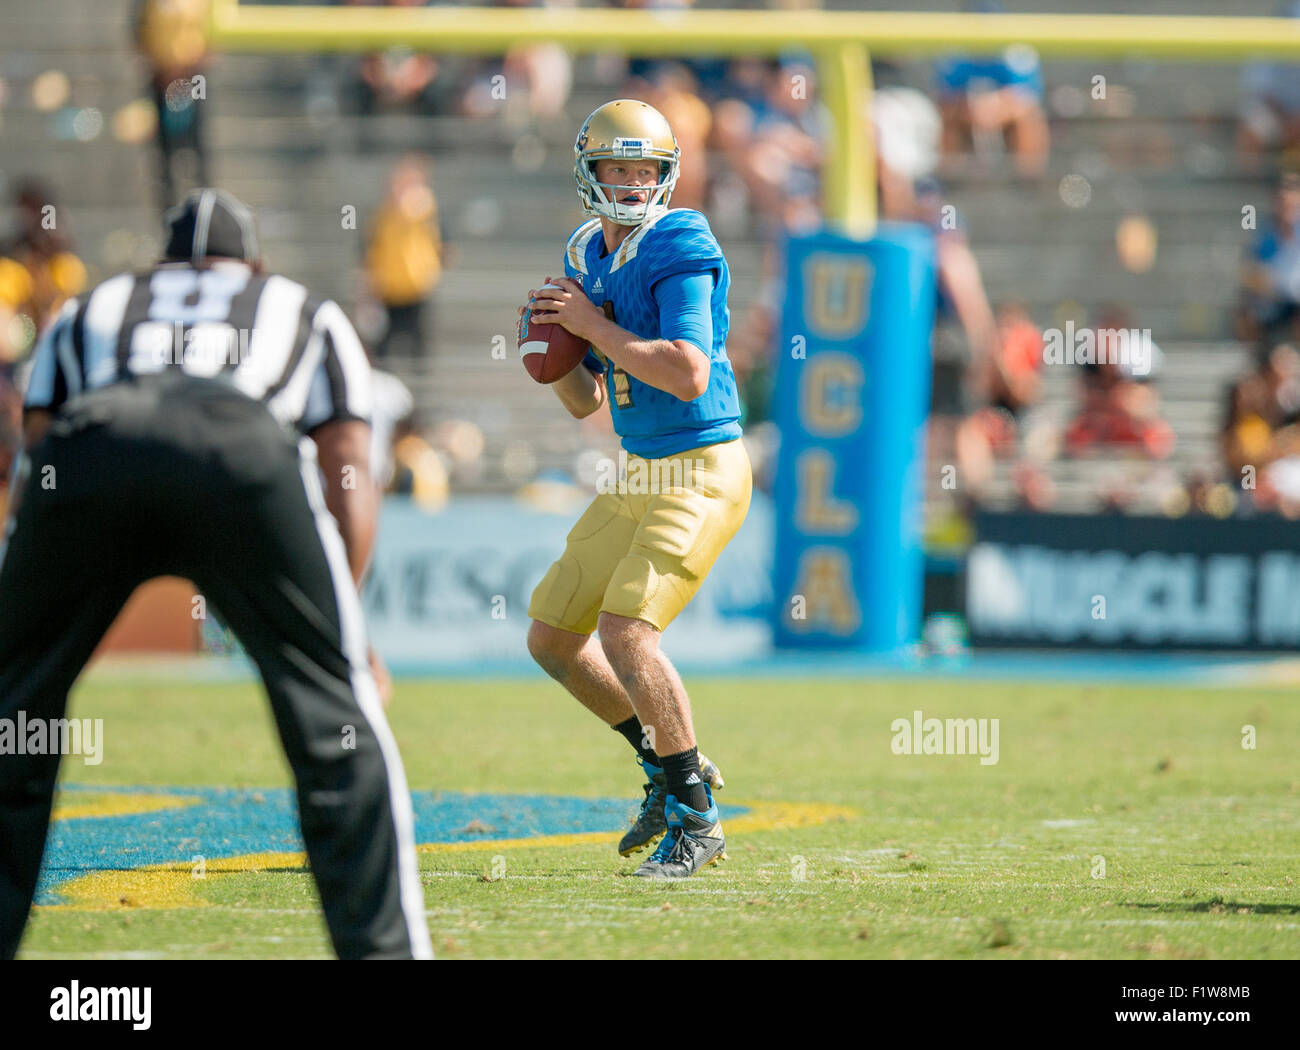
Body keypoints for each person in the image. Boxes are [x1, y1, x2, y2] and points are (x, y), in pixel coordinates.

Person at [0, 189, 431, 959]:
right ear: (253, 266)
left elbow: (38, 444)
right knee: (335, 727)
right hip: (242, 453)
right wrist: (343, 638)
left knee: (12, 714)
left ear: (161, 266)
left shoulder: (94, 305)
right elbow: (346, 468)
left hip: (94, 445)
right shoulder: (298, 306)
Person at [522, 100, 748, 879]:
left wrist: (590, 326)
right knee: (552, 636)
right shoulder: (587, 250)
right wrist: (550, 351)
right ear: (590, 174)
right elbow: (587, 399)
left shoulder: (681, 237)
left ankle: (697, 817)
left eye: (643, 170)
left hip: (701, 463)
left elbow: (687, 373)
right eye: (615, 169)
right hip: (639, 468)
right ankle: (662, 766)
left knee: (626, 633)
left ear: (667, 175)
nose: (629, 183)